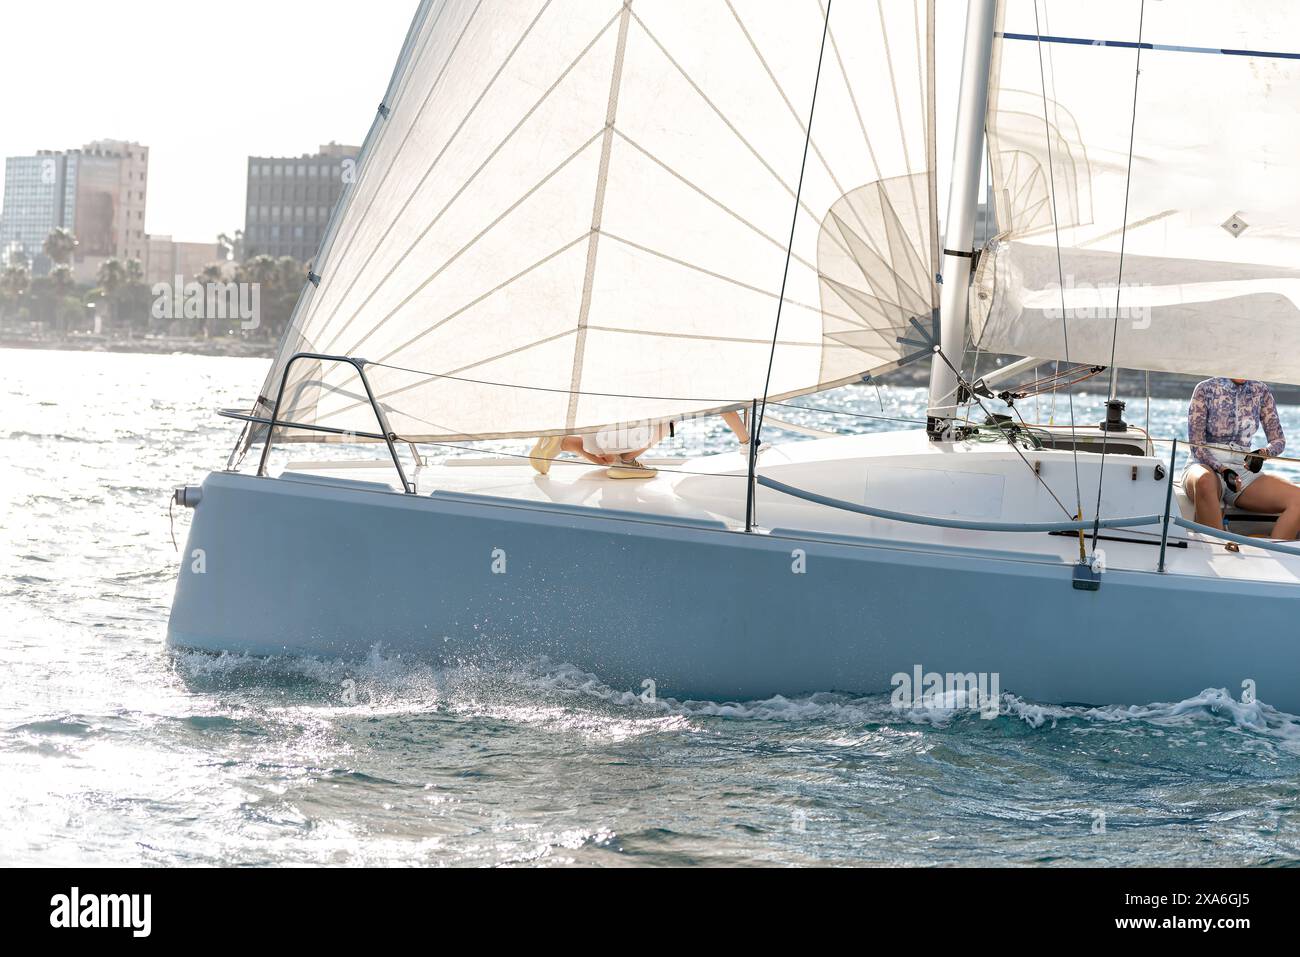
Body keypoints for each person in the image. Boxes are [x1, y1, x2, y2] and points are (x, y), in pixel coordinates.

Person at [1183, 376, 1300, 548]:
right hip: (1203, 463)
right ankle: (1220, 556)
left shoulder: (1261, 391)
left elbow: (1278, 441)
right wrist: (1222, 470)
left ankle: (1276, 559)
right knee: (1204, 481)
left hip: (1243, 469)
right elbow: (1197, 446)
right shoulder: (1205, 388)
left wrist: (1262, 454)